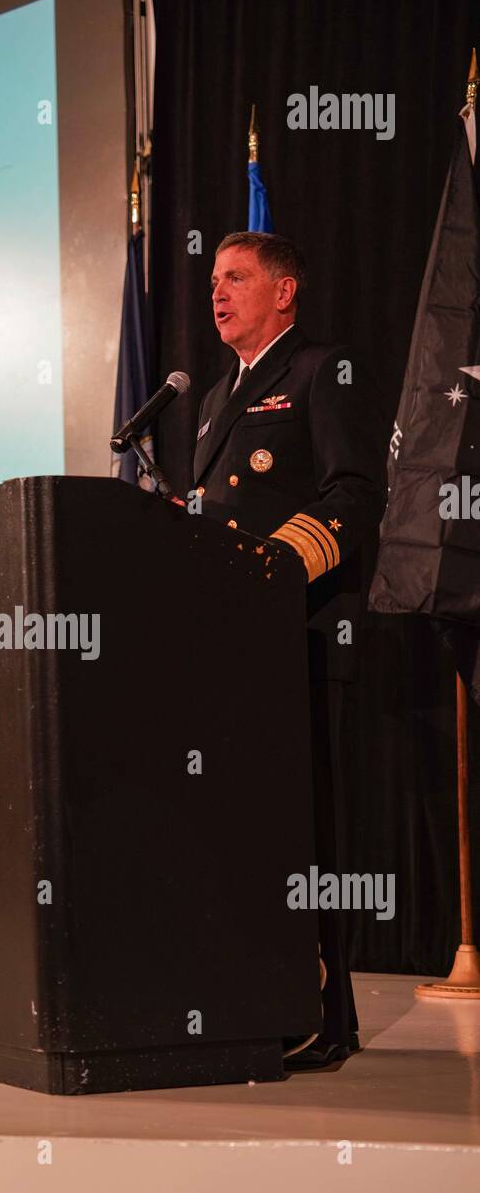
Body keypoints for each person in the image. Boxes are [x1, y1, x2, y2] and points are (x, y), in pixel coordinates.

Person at [193, 230, 388, 1068]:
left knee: (307, 833)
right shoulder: (211, 398)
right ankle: (260, 999)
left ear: (284, 292)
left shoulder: (320, 371)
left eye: (236, 277)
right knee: (248, 833)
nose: (216, 292)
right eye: (213, 280)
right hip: (232, 649)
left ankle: (325, 1015)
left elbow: (355, 494)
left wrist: (273, 570)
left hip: (301, 633)